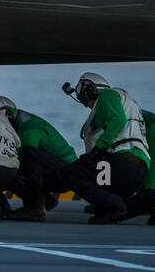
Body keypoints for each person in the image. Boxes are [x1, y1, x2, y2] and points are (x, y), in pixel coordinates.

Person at [60, 72, 150, 225]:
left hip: (122, 162)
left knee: (71, 173)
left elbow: (118, 120)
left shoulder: (108, 95)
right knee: (94, 179)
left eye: (84, 96)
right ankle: (108, 207)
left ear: (90, 89)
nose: (86, 104)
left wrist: (98, 149)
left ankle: (114, 205)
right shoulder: (127, 103)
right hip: (138, 169)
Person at [5, 105, 77, 221]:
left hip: (67, 174)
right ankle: (45, 200)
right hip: (65, 173)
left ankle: (35, 208)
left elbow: (26, 162)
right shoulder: (24, 123)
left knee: (25, 158)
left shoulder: (29, 131)